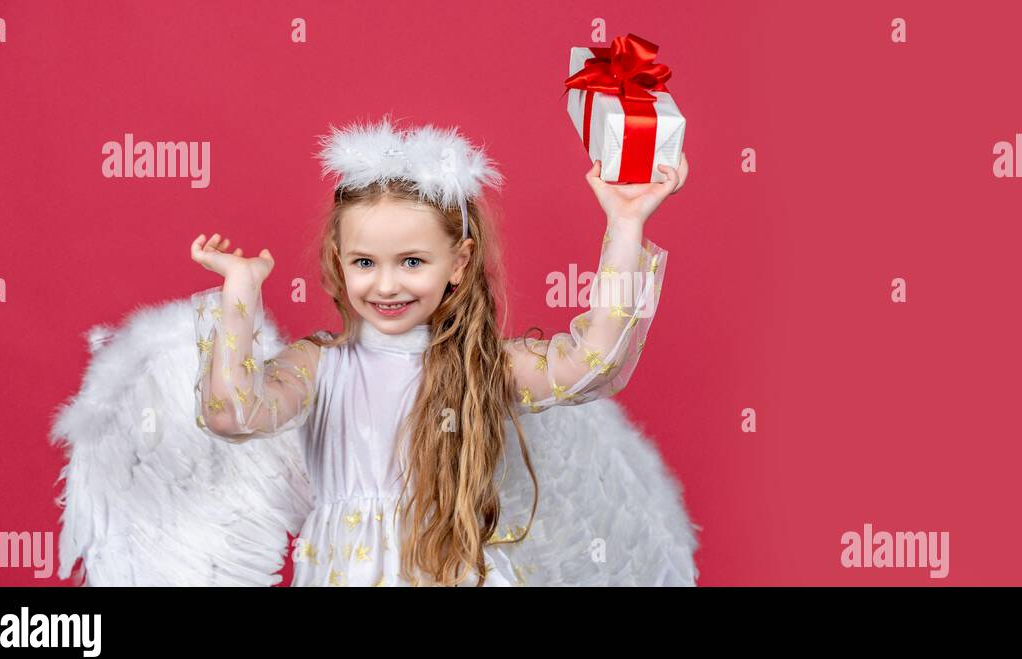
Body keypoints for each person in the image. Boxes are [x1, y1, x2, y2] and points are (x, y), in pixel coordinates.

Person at [187, 116, 685, 586]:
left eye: (411, 261)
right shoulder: (319, 366)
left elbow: (593, 362)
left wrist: (625, 224)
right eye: (365, 261)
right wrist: (239, 294)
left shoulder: (483, 366)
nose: (386, 284)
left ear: (459, 264)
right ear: (339, 261)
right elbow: (231, 413)